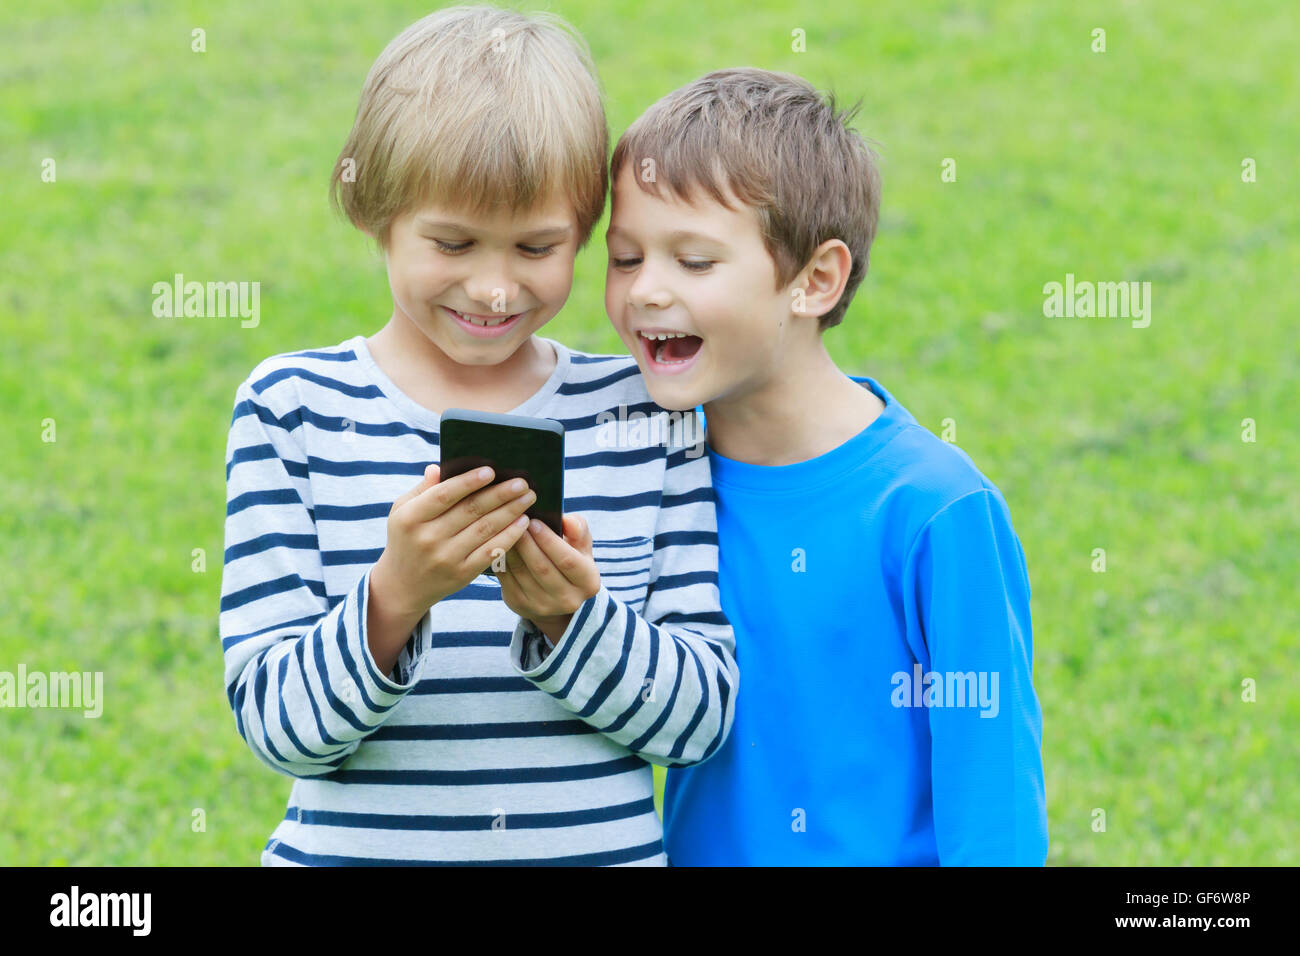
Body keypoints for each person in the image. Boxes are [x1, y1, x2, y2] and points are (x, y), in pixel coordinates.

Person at [219, 6, 736, 866]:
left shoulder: (646, 415)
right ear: (374, 210)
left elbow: (700, 724)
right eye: (453, 242)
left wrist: (576, 619)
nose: (494, 288)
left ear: (588, 232)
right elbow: (280, 731)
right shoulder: (292, 409)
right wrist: (395, 597)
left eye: (537, 247)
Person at [603, 67, 1048, 864]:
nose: (645, 291)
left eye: (694, 262)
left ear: (816, 279)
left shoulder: (935, 510)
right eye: (626, 257)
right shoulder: (650, 480)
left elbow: (995, 806)